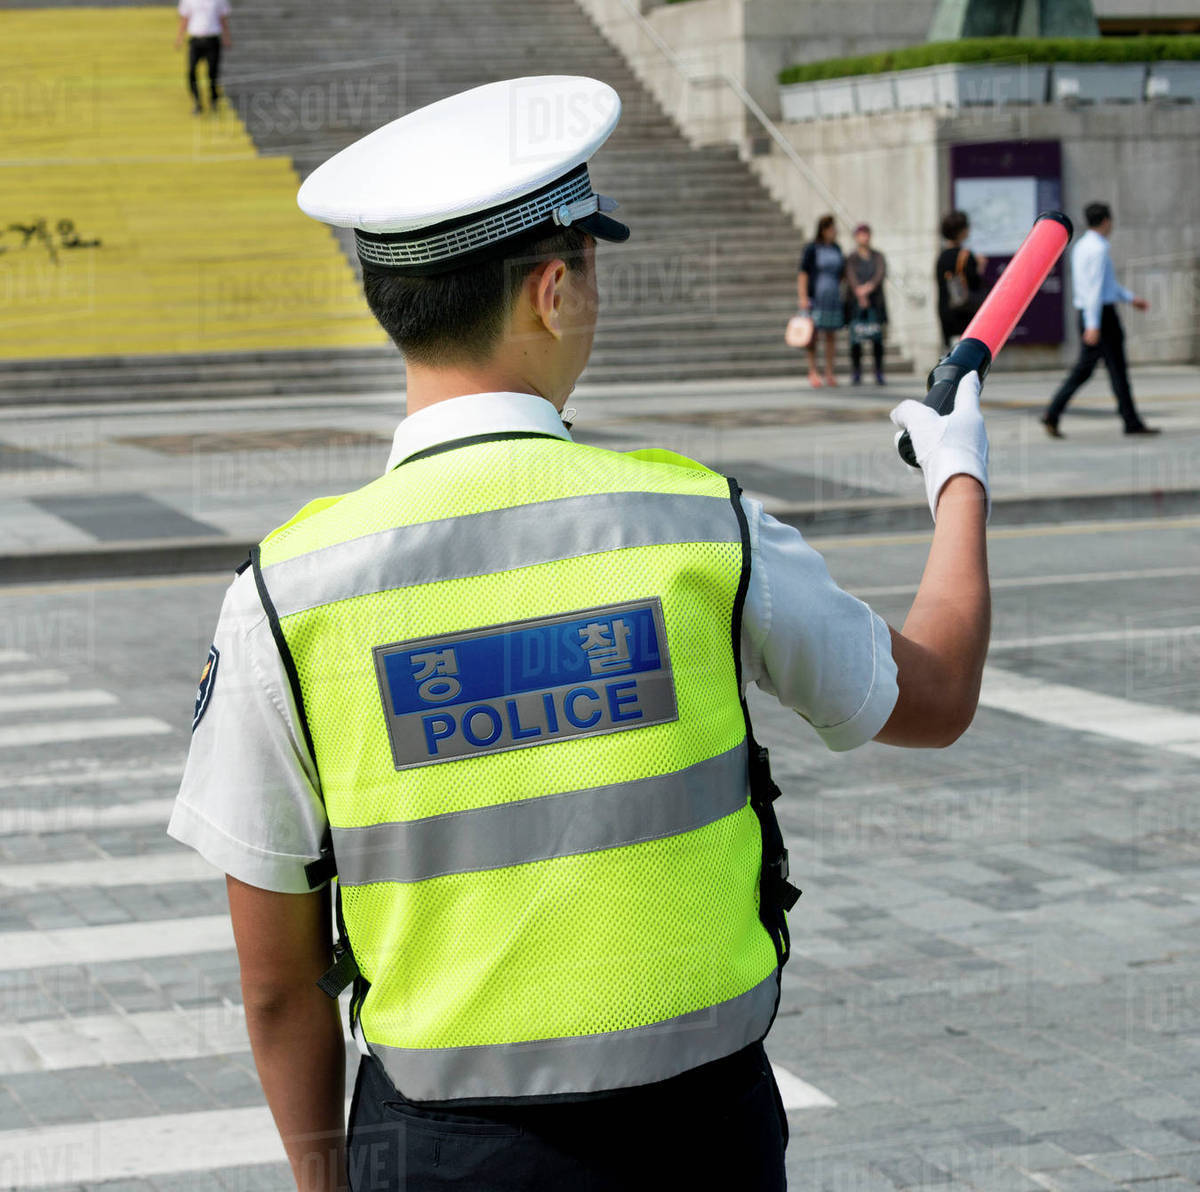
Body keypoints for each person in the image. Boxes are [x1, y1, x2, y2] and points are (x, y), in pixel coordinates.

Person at [167, 75, 991, 1192]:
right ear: (553, 290)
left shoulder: (284, 597)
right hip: (702, 1141)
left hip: (439, 1155)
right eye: (590, 270)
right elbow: (932, 696)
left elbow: (277, 985)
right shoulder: (701, 523)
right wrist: (959, 482)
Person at [1041, 202, 1156, 438]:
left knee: (1093, 370)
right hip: (1101, 317)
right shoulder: (1099, 249)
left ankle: (1054, 413)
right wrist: (1094, 325)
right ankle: (1129, 421)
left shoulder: (1081, 246)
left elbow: (1104, 286)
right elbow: (1094, 289)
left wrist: (1131, 298)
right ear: (1105, 220)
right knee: (1115, 370)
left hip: (1090, 313)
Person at [797, 215, 845, 387]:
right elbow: (803, 273)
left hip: (832, 297)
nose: (834, 232)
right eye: (831, 229)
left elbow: (841, 272)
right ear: (823, 230)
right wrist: (803, 296)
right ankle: (813, 371)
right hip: (815, 297)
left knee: (831, 335)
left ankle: (829, 372)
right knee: (813, 335)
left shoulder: (837, 248)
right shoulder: (812, 248)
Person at [844, 222, 888, 386]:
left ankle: (878, 371)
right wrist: (859, 292)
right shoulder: (852, 258)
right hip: (857, 304)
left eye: (867, 233)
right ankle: (856, 371)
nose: (865, 237)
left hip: (875, 302)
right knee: (856, 339)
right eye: (861, 234)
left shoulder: (878, 256)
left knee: (877, 339)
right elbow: (850, 276)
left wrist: (868, 288)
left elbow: (880, 273)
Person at [936, 209, 986, 349]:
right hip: (964, 312)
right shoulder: (966, 256)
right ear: (961, 232)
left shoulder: (941, 257)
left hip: (946, 311)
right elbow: (975, 283)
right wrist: (980, 267)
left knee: (952, 354)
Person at [174, 0, 231, 115]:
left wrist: (226, 37)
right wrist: (179, 37)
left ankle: (214, 99)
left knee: (212, 72)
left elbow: (222, 17)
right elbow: (185, 18)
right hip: (196, 40)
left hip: (213, 39)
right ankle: (197, 102)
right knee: (191, 72)